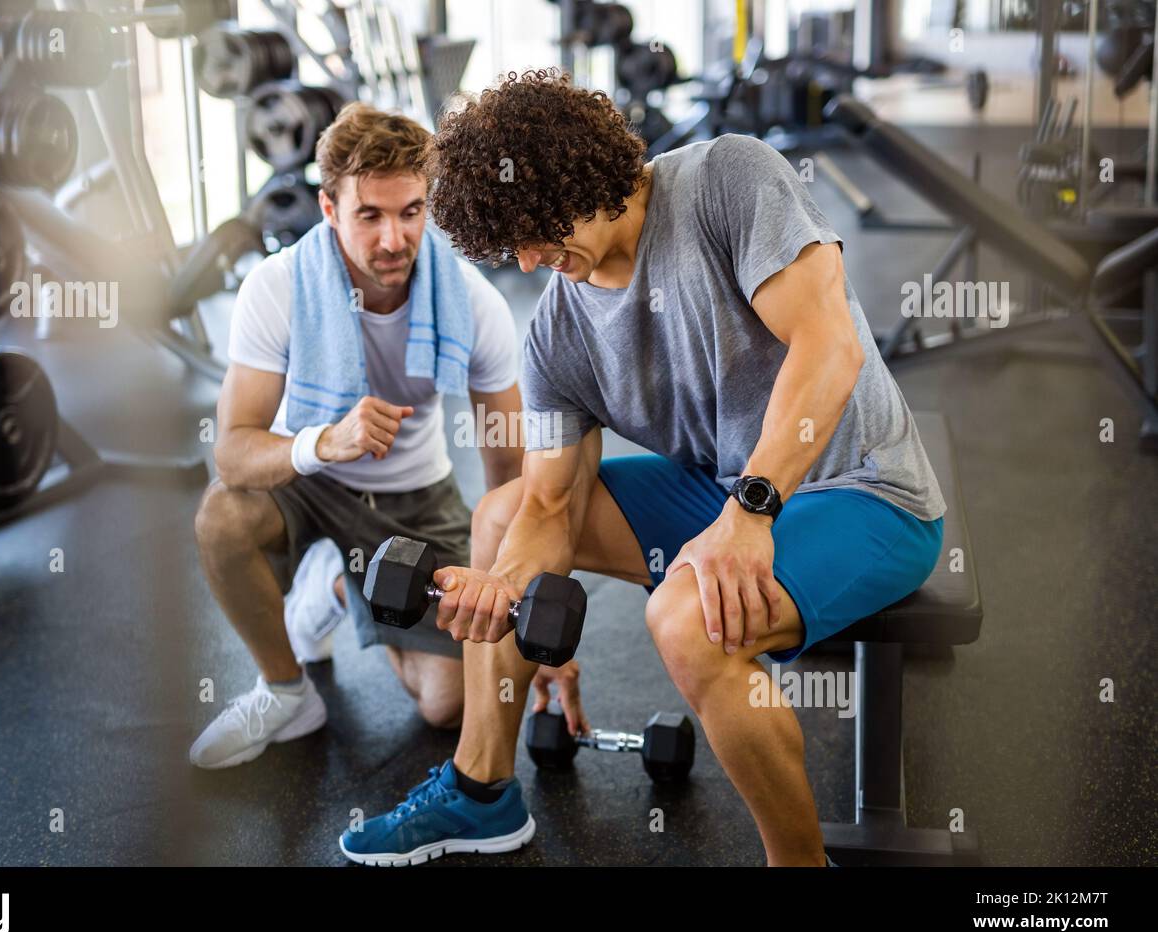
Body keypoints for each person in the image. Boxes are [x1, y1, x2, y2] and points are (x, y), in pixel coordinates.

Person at [339, 70, 945, 866]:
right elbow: (551, 509)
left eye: (532, 227)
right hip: (729, 488)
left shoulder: (730, 178)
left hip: (866, 490)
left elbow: (828, 346)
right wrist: (504, 588)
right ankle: (482, 791)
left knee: (688, 619)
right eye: (508, 244)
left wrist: (750, 516)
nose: (527, 261)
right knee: (498, 520)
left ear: (578, 172)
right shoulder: (557, 333)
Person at [191, 103, 522, 769]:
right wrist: (323, 444)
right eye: (370, 215)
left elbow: (509, 470)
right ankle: (286, 691)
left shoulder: (471, 300)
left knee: (447, 706)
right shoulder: (278, 287)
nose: (394, 238)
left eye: (411, 211)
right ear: (328, 208)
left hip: (416, 500)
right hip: (306, 484)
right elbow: (231, 452)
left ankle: (340, 585)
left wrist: (515, 609)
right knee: (223, 516)